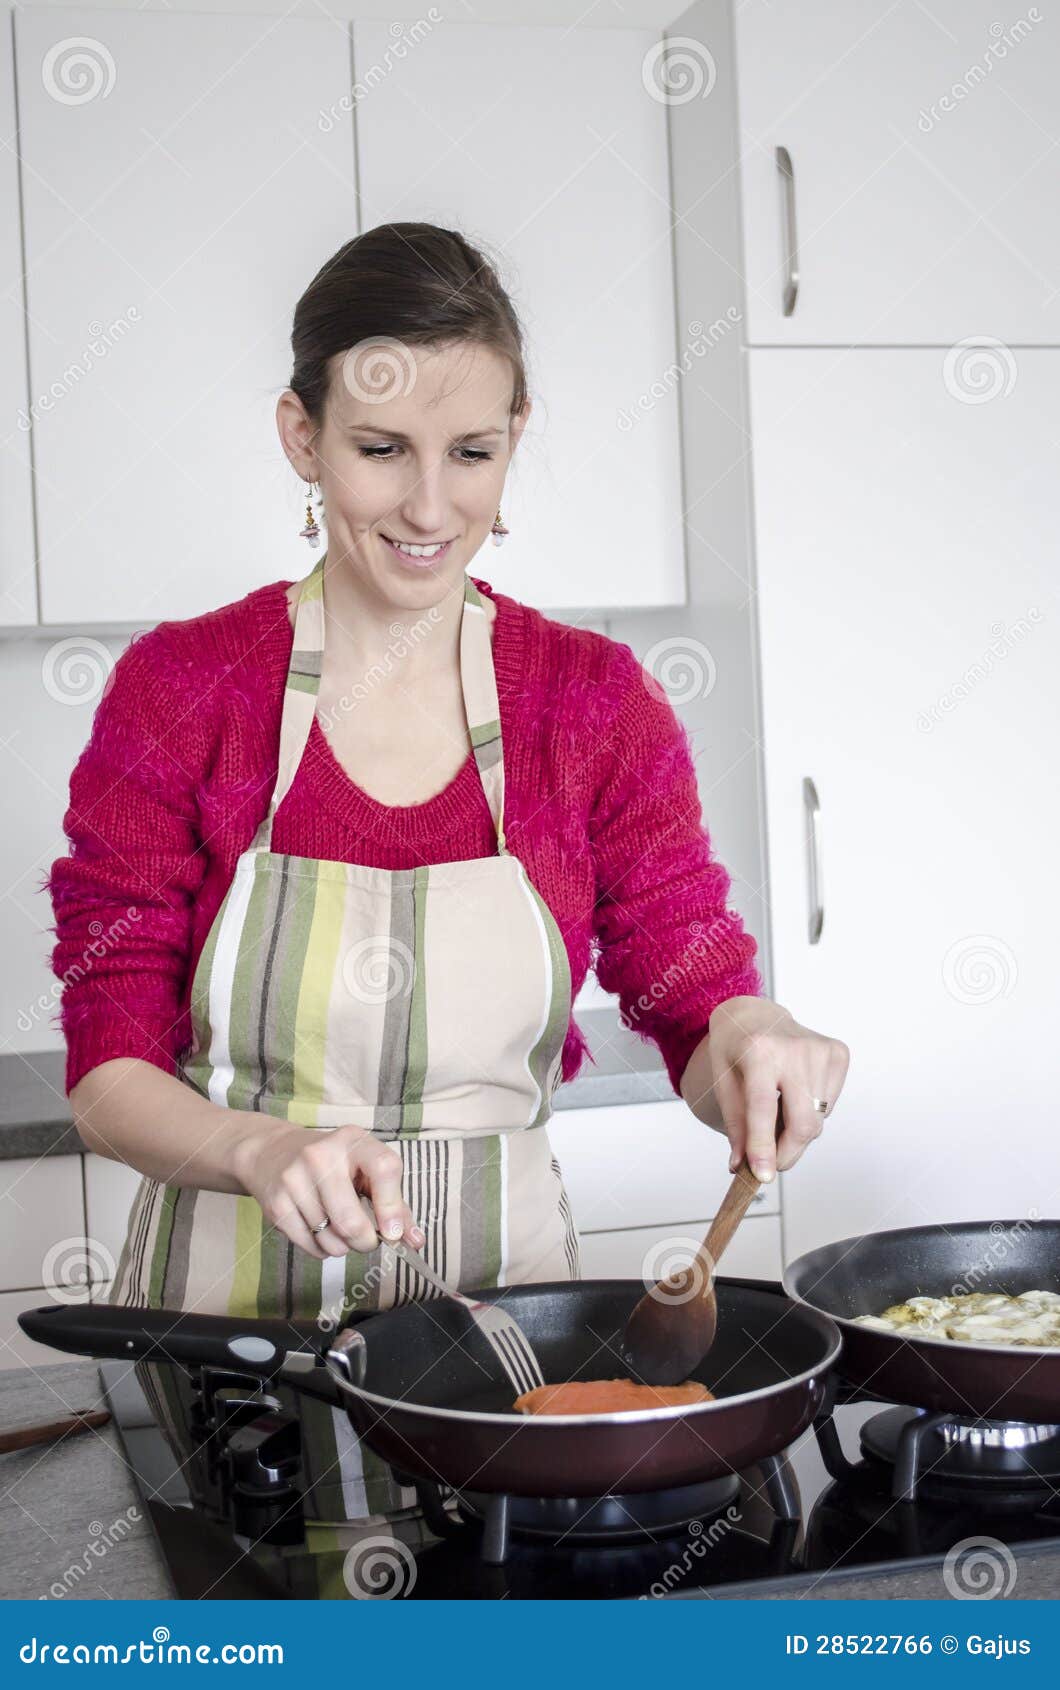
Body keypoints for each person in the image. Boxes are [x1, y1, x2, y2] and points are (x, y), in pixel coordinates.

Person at [48, 222, 849, 1592]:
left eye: (472, 453)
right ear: (301, 437)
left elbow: (686, 973)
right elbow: (108, 1066)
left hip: (508, 1385)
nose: (430, 506)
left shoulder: (589, 703)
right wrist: (255, 1147)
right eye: (380, 450)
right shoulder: (184, 696)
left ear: (514, 439)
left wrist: (755, 1038)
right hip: (224, 1357)